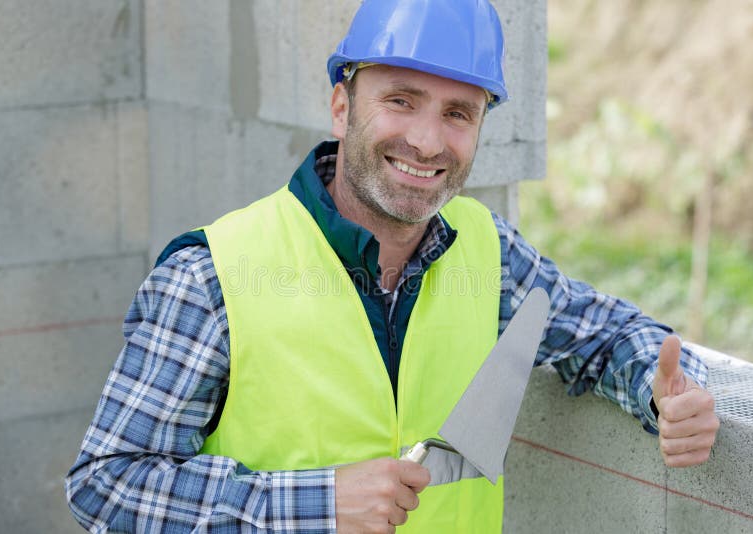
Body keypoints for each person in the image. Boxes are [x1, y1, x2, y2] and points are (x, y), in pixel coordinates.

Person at [66, 0, 719, 532]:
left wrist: (664, 393)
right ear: (343, 106)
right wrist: (316, 504)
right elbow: (108, 485)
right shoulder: (212, 278)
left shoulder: (487, 253)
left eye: (458, 113)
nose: (429, 141)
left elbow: (606, 333)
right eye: (401, 100)